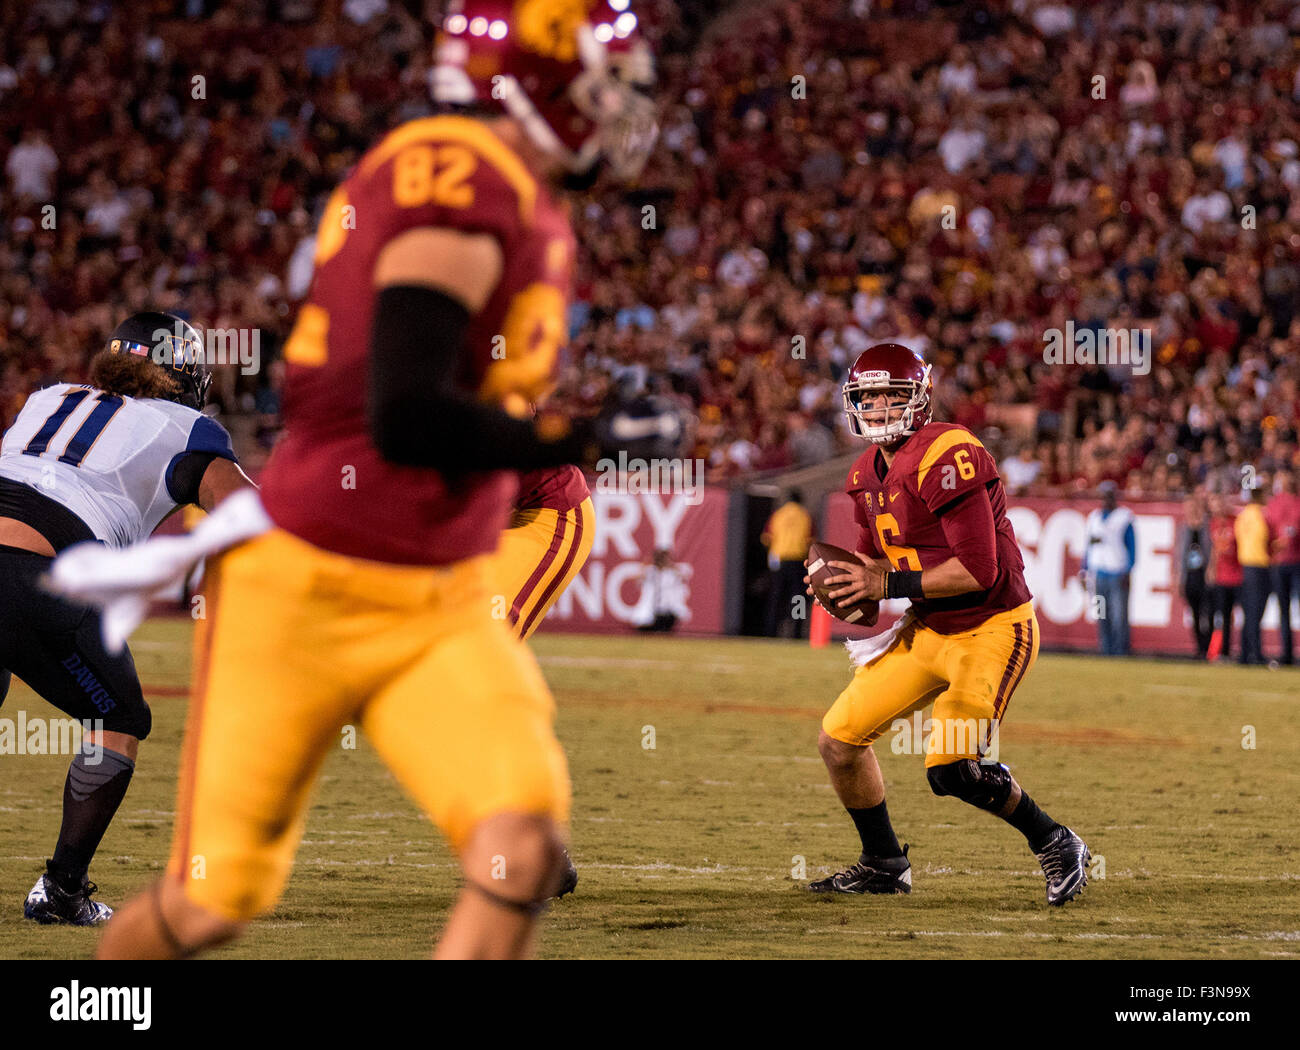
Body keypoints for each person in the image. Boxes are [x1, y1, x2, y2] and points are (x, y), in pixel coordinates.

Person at [88, 1, 658, 961]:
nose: (619, 108)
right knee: (207, 907)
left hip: (433, 593)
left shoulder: (518, 194)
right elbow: (405, 411)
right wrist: (579, 437)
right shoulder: (463, 175)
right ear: (526, 83)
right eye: (603, 83)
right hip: (309, 583)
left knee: (520, 846)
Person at [805, 342, 1088, 907]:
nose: (881, 407)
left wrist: (882, 585)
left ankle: (1056, 841)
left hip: (992, 628)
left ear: (920, 397)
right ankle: (885, 863)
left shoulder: (949, 451)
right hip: (927, 629)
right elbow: (874, 566)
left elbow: (978, 571)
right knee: (838, 742)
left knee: (953, 768)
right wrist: (842, 582)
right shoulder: (864, 472)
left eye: (892, 395)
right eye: (870, 397)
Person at [0, 312, 252, 925]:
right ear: (183, 373)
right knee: (118, 716)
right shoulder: (188, 427)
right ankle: (61, 889)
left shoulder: (48, 397)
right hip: (32, 574)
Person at [1083, 481, 1135, 656]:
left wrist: (1128, 569)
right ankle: (1105, 649)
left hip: (1117, 571)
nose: (1106, 500)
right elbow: (1089, 546)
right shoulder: (1094, 518)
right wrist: (1084, 569)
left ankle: (1120, 651)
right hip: (1098, 573)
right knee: (1101, 613)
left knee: (1119, 615)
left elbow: (1132, 546)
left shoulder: (1124, 517)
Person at [761, 490, 812, 637]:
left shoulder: (778, 515)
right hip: (798, 562)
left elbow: (766, 538)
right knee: (799, 598)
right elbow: (811, 540)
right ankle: (796, 632)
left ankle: (770, 631)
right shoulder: (805, 515)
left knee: (776, 597)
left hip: (781, 562)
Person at [1235, 481, 1272, 666]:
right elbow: (1265, 538)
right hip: (1259, 565)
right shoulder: (1260, 515)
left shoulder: (1242, 516)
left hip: (1246, 565)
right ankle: (1255, 653)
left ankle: (1244, 652)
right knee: (1256, 612)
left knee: (1249, 612)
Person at [1265, 470, 1300, 665]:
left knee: (1289, 609)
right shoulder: (1275, 503)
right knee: (1283, 609)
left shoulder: (1295, 502)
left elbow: (1292, 530)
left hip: (1295, 561)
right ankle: (1286, 652)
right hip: (1280, 563)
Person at [1176, 489, 1213, 658]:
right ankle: (1200, 648)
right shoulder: (1184, 529)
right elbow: (1179, 556)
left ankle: (1209, 646)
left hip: (1205, 576)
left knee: (1209, 612)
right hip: (1190, 577)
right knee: (1195, 613)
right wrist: (1179, 578)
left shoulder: (1207, 527)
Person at [1207, 492, 1243, 661]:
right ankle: (1224, 651)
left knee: (1243, 616)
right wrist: (1211, 569)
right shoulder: (1213, 524)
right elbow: (1215, 550)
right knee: (1223, 616)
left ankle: (1246, 650)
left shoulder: (1236, 521)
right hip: (1222, 576)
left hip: (1238, 575)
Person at [634, 548, 689, 632]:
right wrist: (645, 564)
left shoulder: (671, 573)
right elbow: (639, 580)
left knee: (665, 630)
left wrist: (672, 566)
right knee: (645, 630)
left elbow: (683, 578)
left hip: (667, 610)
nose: (664, 561)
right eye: (662, 558)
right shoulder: (650, 571)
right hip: (650, 609)